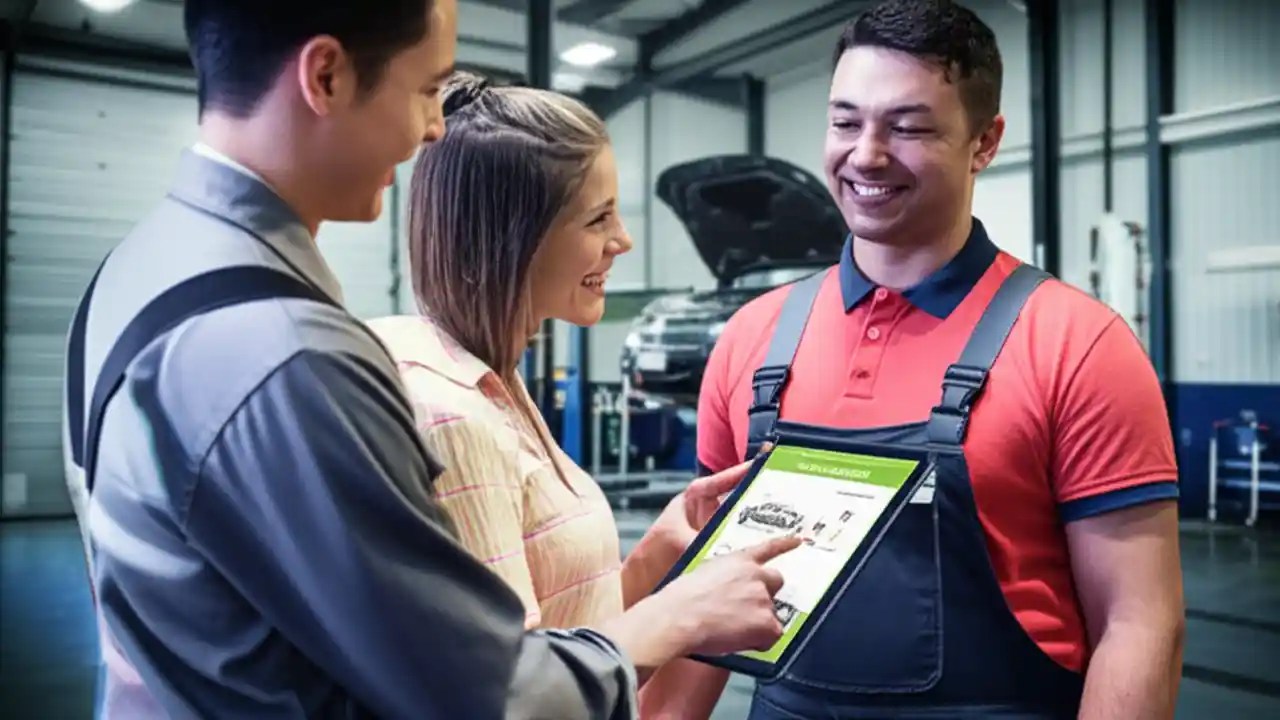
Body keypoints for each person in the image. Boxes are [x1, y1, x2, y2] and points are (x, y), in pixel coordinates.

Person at [60, 2, 798, 718]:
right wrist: (675, 617)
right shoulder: (287, 353)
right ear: (326, 77)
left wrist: (640, 578)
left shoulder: (135, 273)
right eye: (423, 90)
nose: (433, 129)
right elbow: (478, 696)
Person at [694, 1, 1187, 718]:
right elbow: (701, 602)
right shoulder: (753, 338)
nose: (866, 153)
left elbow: (1140, 626)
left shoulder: (1077, 344)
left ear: (985, 142)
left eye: (909, 126)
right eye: (845, 121)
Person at [366, 73, 733, 718]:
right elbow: (518, 697)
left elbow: (560, 628)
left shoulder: (495, 380)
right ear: (515, 238)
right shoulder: (453, 417)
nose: (623, 241)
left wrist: (656, 554)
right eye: (599, 218)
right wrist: (684, 618)